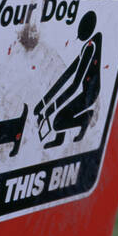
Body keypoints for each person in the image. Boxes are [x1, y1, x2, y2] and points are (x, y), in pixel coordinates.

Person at [37, 11, 101, 148]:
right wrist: (42, 104)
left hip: (89, 93)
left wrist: (48, 111)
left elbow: (74, 85)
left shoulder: (91, 48)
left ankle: (85, 118)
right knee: (63, 114)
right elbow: (67, 74)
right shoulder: (88, 45)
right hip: (87, 88)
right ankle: (59, 139)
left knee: (57, 122)